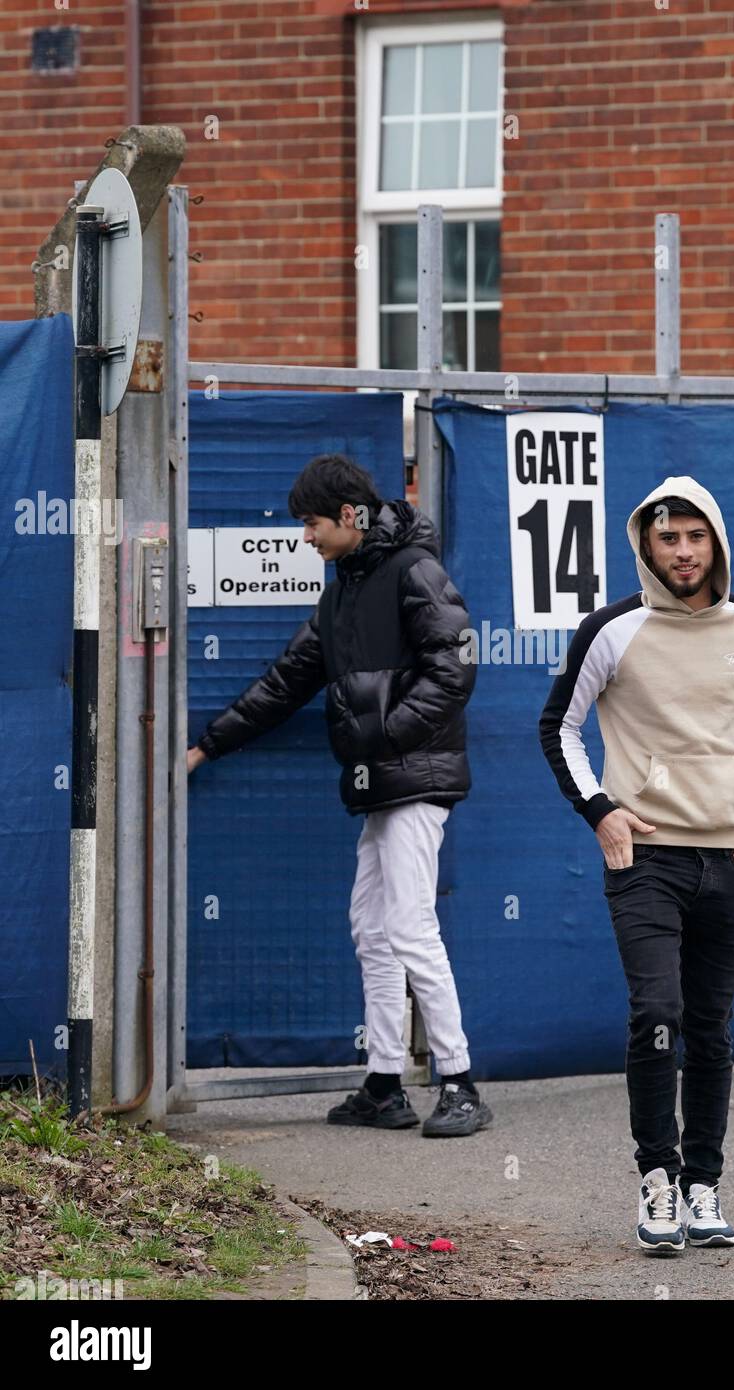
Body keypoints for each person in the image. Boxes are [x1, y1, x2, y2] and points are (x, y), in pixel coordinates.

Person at [188, 453, 492, 1138]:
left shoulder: (414, 571)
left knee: (410, 926)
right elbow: (285, 681)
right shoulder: (341, 593)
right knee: (372, 929)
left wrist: (386, 736)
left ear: (349, 516)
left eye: (312, 523)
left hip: (415, 782)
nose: (306, 537)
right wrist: (207, 744)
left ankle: (460, 1083)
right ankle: (384, 1084)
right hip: (381, 786)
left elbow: (456, 667)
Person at [539, 476, 734, 1251]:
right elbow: (559, 727)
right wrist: (601, 811)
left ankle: (703, 1184)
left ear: (715, 540)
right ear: (645, 545)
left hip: (729, 862)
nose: (683, 552)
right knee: (658, 1015)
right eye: (667, 538)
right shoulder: (611, 630)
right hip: (645, 860)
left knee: (711, 1029)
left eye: (695, 536)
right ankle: (657, 1182)